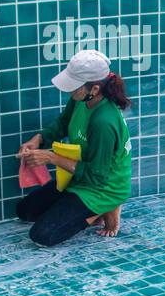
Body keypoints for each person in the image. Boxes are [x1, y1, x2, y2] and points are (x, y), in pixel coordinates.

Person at [15, 49, 132, 246]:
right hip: (78, 177)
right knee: (25, 211)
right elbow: (63, 122)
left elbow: (97, 176)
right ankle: (80, 208)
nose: (69, 91)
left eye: (73, 87)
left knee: (42, 236)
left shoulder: (103, 122)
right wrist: (39, 138)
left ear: (94, 89)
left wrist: (51, 158)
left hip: (102, 187)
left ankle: (105, 208)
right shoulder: (81, 99)